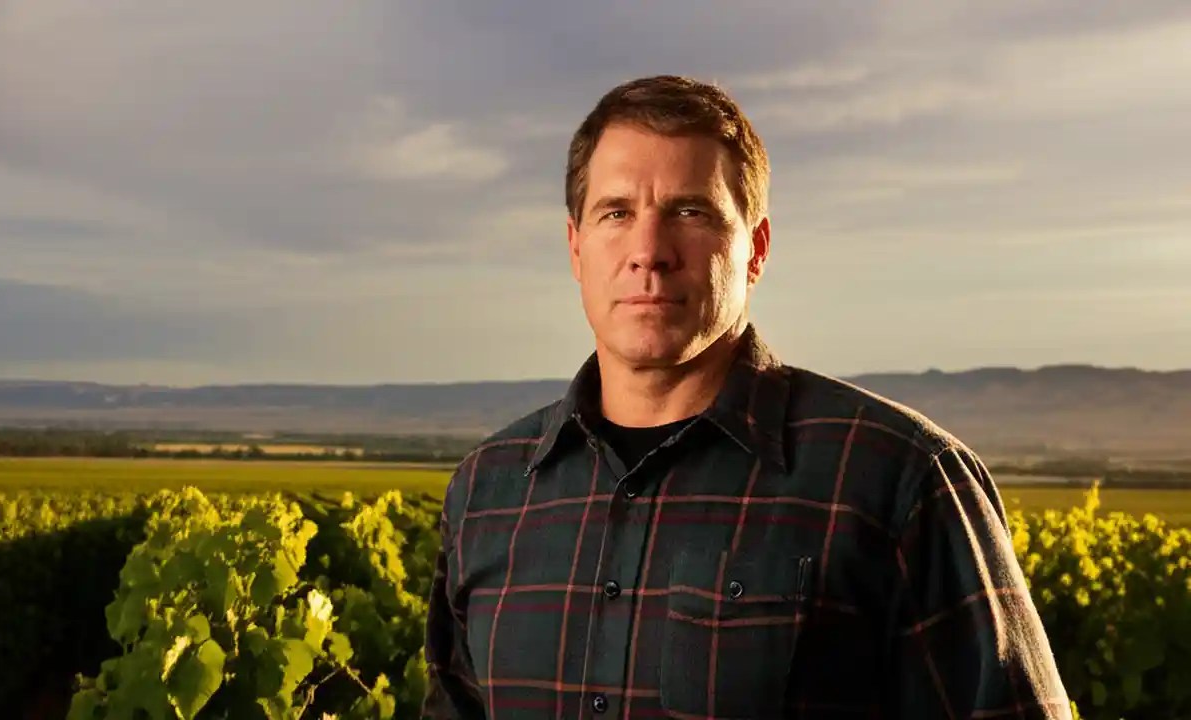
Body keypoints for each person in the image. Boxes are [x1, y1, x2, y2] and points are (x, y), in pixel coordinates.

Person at [421, 75, 1071, 719]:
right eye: (616, 213)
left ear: (755, 250)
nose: (649, 252)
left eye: (689, 211)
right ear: (575, 248)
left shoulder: (896, 481)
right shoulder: (487, 494)